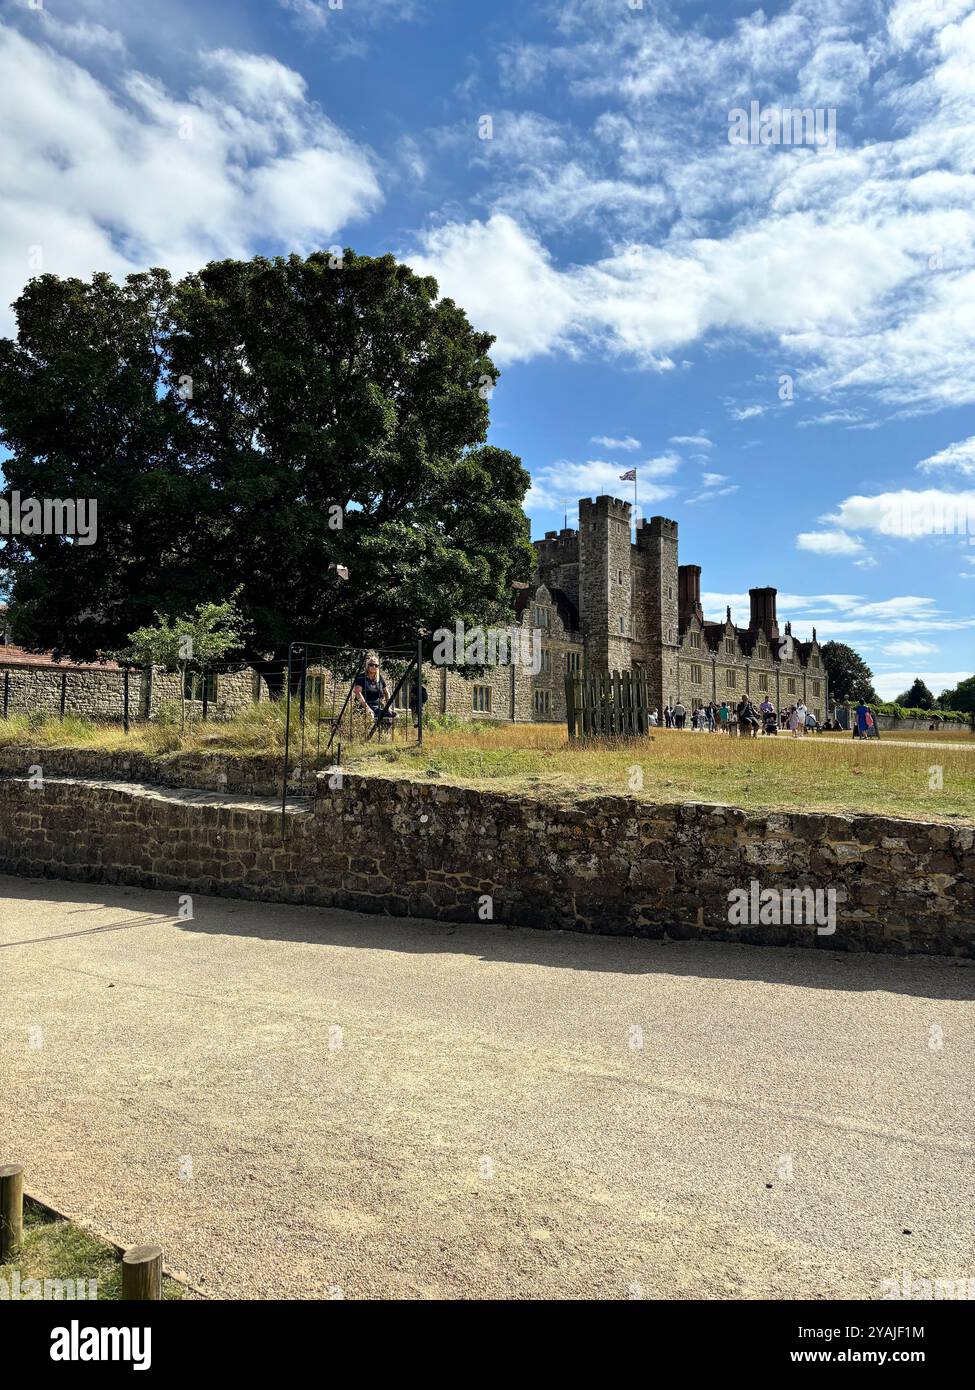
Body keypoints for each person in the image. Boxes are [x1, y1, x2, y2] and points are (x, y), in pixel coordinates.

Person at [353, 658, 397, 726]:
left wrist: (388, 707)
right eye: (371, 665)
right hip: (363, 706)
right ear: (368, 666)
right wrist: (367, 709)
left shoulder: (379, 678)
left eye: (376, 665)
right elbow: (358, 693)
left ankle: (384, 735)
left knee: (393, 715)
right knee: (371, 718)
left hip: (377, 707)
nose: (374, 667)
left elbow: (386, 693)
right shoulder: (361, 677)